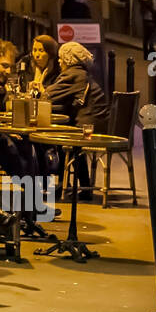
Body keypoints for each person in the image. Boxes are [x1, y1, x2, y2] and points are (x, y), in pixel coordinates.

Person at [45, 41, 110, 197]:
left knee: (62, 141)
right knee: (68, 143)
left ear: (68, 60)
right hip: (100, 125)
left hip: (89, 128)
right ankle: (82, 186)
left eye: (61, 59)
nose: (59, 62)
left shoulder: (72, 74)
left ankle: (62, 185)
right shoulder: (83, 74)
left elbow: (47, 95)